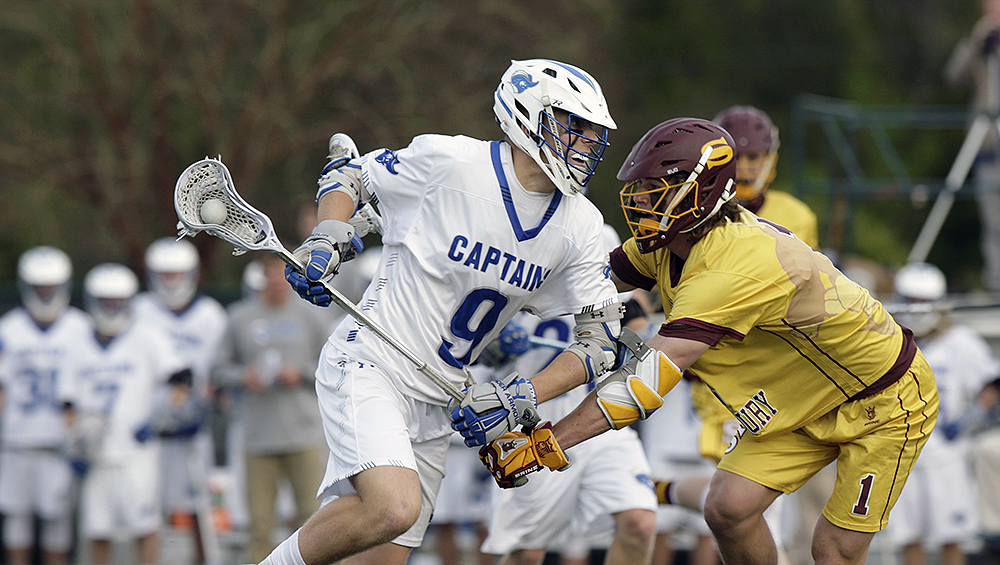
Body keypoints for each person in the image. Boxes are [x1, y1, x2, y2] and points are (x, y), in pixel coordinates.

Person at [467, 117, 940, 565]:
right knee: (728, 508)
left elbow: (641, 386)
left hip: (881, 400)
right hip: (802, 396)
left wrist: (545, 443)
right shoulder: (669, 241)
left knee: (832, 549)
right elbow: (575, 284)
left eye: (656, 188)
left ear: (701, 192)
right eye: (640, 187)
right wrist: (496, 307)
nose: (642, 200)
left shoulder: (731, 266)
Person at [269, 58, 624, 565]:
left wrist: (521, 393)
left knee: (382, 551)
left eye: (594, 133)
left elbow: (601, 343)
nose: (589, 143)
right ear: (528, 114)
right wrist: (327, 234)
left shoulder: (582, 224)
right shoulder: (449, 162)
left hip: (442, 396)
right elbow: (350, 176)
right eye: (576, 126)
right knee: (393, 507)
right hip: (374, 363)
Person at [479, 224, 657, 565]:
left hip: (599, 417)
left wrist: (636, 341)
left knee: (640, 523)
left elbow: (632, 313)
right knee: (527, 552)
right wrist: (493, 342)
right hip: (531, 422)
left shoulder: (599, 234)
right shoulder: (502, 232)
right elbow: (469, 333)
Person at [60, 263, 187, 565]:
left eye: (117, 301)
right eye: (105, 301)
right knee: (97, 531)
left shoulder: (146, 337)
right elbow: (66, 403)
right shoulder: (76, 343)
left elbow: (181, 379)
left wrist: (159, 418)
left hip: (137, 454)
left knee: (145, 526)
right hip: (97, 456)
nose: (111, 308)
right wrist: (75, 443)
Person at [213, 253, 330, 563]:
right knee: (260, 523)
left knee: (313, 518)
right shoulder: (240, 317)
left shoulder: (311, 316)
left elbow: (332, 364)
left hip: (303, 433)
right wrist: (244, 377)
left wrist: (300, 373)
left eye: (284, 274)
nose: (278, 281)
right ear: (263, 277)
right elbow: (218, 369)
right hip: (258, 436)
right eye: (272, 274)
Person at [884, 262, 1000, 565]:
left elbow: (991, 380)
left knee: (952, 533)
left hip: (946, 455)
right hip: (899, 452)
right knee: (907, 534)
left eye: (924, 302)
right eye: (911, 300)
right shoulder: (887, 338)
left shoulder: (959, 341)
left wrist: (969, 419)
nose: (917, 308)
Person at [133, 236, 228, 564]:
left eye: (176, 274)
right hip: (150, 425)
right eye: (165, 275)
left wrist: (205, 406)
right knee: (149, 506)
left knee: (199, 504)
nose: (171, 282)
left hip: (194, 425)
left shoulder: (210, 315)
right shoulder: (140, 311)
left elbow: (219, 370)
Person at [0, 247, 91, 565]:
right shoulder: (9, 328)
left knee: (58, 528)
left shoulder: (81, 327)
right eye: (39, 287)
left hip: (60, 443)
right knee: (17, 525)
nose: (46, 294)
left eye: (51, 287)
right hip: (17, 441)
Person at [945, 0, 1000, 293]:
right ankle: (996, 285)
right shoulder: (980, 45)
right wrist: (976, 43)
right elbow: (953, 76)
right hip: (988, 143)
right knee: (993, 222)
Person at [712, 105, 817, 249]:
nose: (743, 168)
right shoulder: (696, 214)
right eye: (734, 157)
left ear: (771, 159)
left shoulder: (796, 216)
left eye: (753, 157)